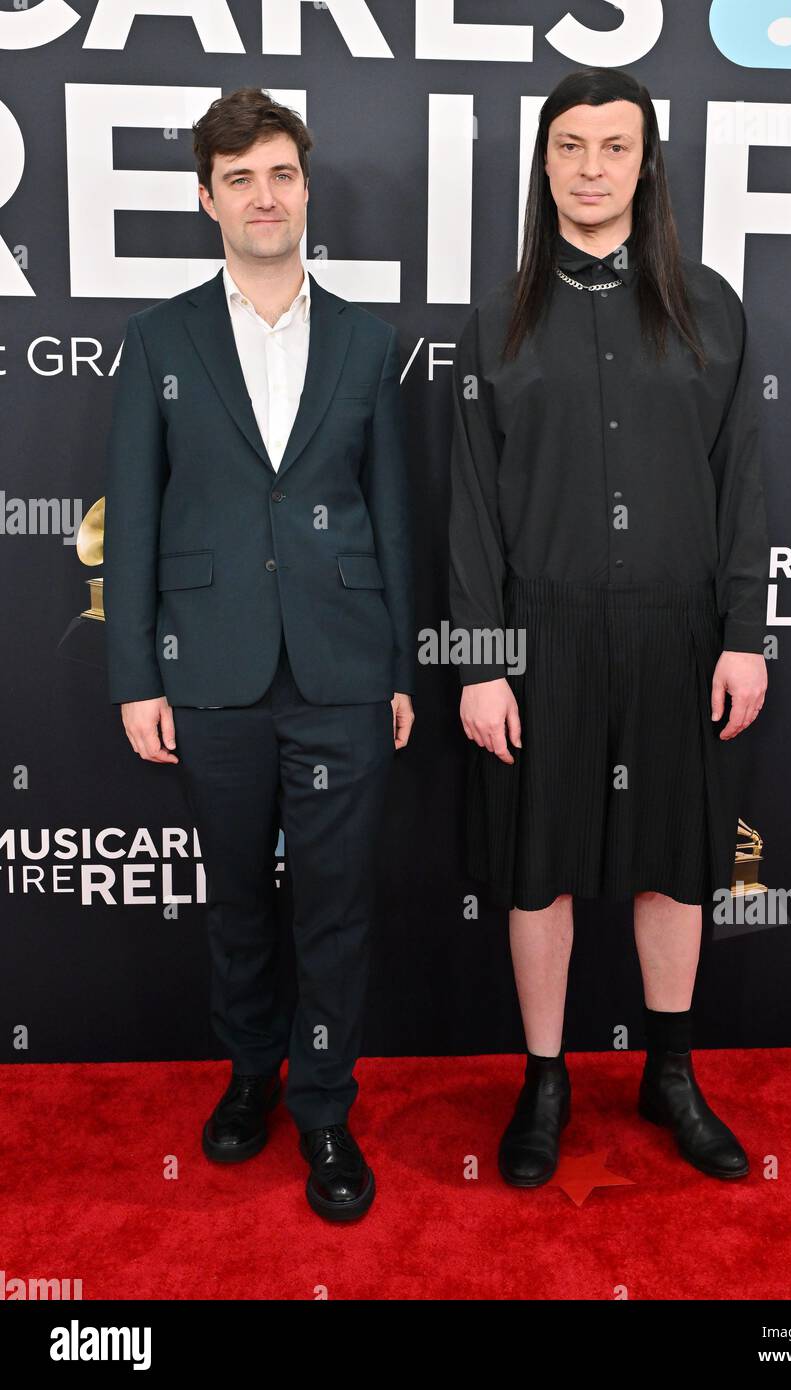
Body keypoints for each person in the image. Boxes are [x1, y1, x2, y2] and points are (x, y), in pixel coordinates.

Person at [449, 68, 769, 1185]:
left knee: (674, 868)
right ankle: (545, 1079)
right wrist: (482, 660)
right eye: (570, 146)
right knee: (536, 872)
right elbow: (471, 506)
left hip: (681, 635)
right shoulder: (497, 319)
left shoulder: (712, 307)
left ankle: (669, 1071)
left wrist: (744, 633)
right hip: (540, 640)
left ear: (647, 164)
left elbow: (743, 482)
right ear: (542, 164)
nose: (591, 168)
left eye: (614, 147)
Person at [103, 87, 415, 1222]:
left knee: (334, 903)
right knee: (236, 896)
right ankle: (253, 1075)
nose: (262, 193)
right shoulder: (158, 341)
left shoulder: (371, 344)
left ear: (304, 186)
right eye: (238, 177)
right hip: (211, 668)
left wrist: (397, 671)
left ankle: (325, 1107)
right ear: (207, 198)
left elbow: (392, 517)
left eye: (279, 172)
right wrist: (135, 672)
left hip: (341, 670)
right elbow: (132, 519)